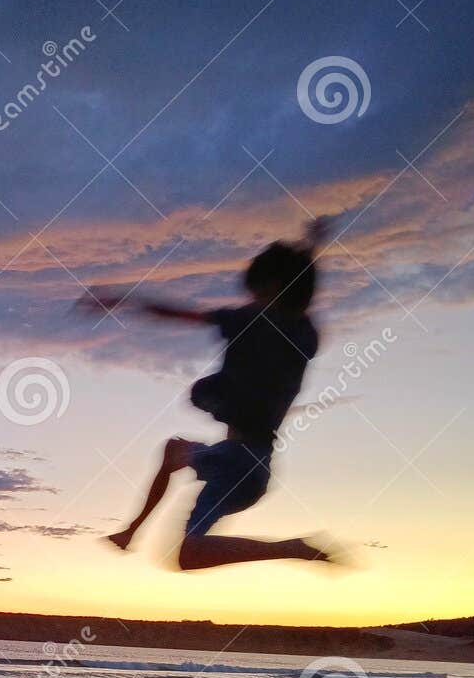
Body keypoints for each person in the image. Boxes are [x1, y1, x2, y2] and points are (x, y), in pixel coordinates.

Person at [80, 218, 341, 570]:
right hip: (248, 464)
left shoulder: (250, 319)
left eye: (257, 291)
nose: (252, 298)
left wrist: (125, 300)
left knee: (189, 554)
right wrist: (311, 246)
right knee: (175, 452)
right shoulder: (306, 333)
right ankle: (132, 533)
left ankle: (292, 548)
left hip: (239, 465)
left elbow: (180, 314)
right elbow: (295, 289)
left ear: (271, 287)